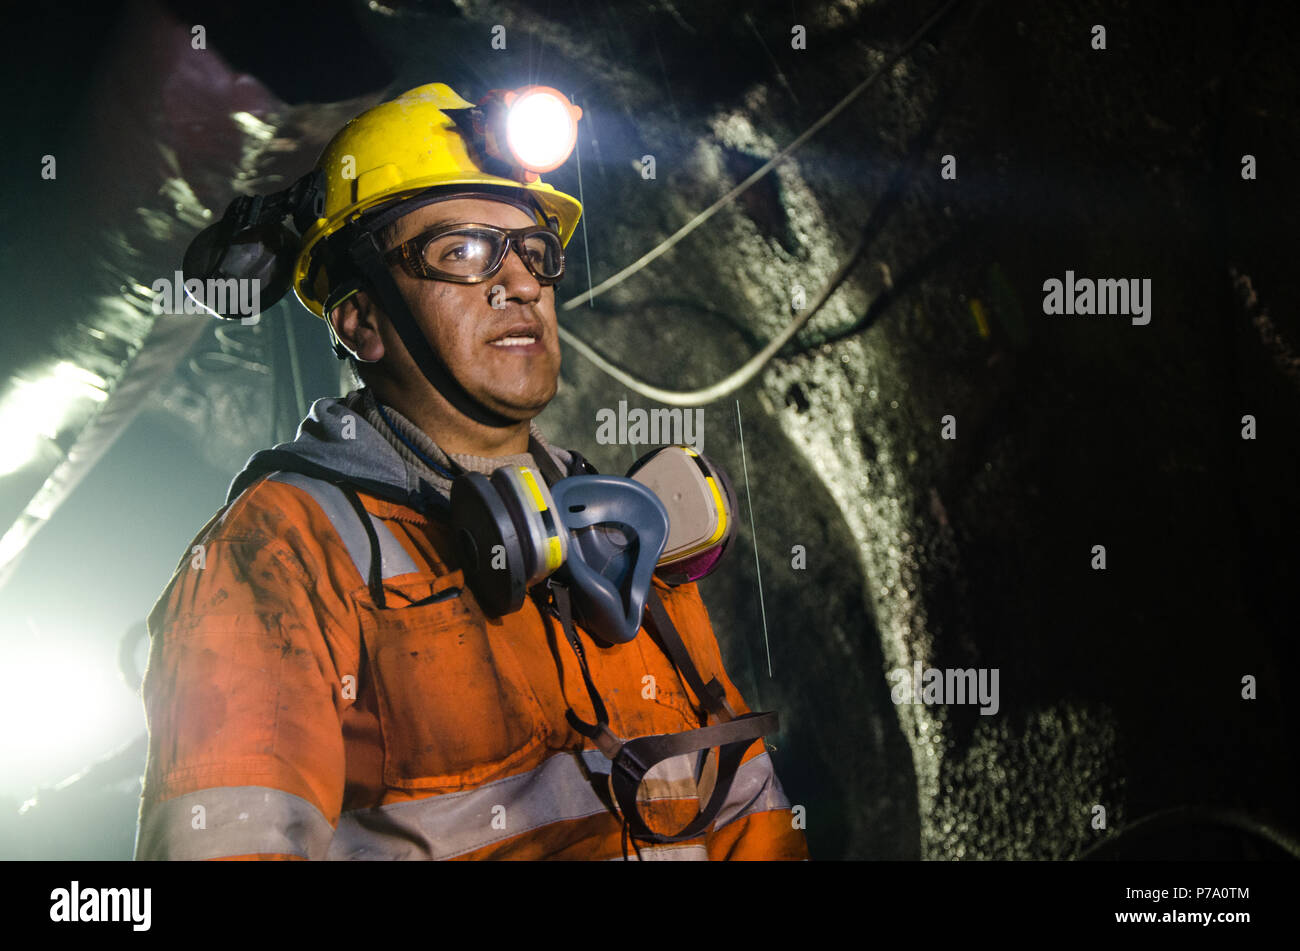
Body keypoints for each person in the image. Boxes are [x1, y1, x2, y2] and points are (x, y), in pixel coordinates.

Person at [134, 83, 808, 860]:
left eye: (534, 251)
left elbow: (749, 821)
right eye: (462, 250)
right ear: (361, 319)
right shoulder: (276, 555)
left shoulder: (622, 537)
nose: (521, 282)